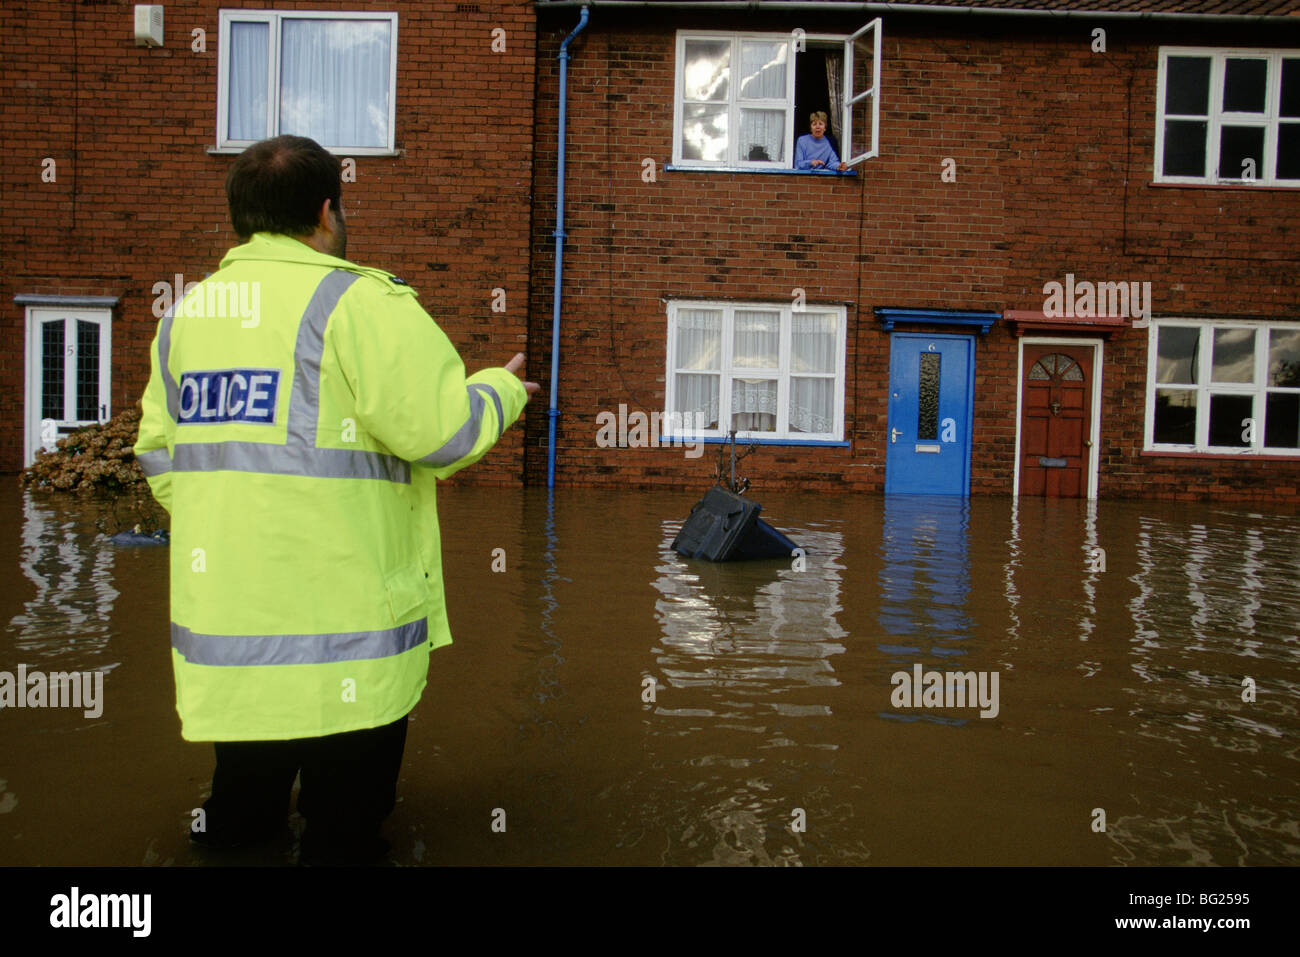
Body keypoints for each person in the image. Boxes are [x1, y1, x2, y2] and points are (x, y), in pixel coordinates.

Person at [133, 134, 539, 865]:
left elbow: (162, 459)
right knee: (344, 835)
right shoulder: (355, 302)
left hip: (233, 634)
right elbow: (445, 432)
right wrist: (502, 389)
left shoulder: (184, 319)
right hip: (348, 637)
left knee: (239, 821)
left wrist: (236, 524)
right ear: (327, 212)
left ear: (241, 218)